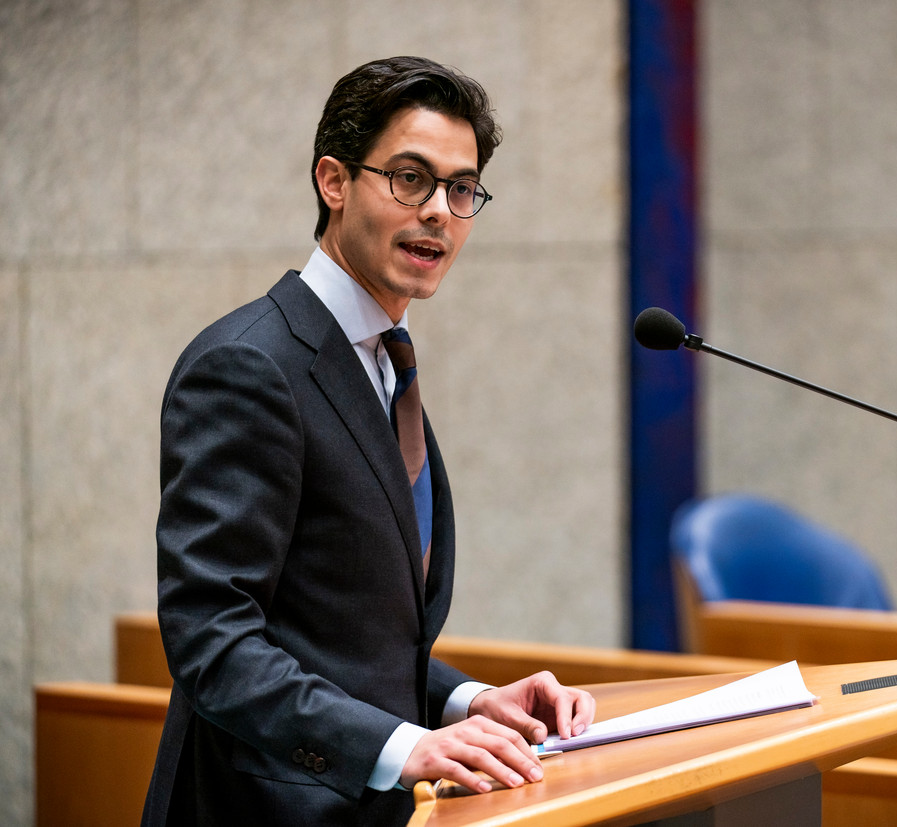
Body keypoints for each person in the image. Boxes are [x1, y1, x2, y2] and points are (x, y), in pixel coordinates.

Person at [142, 56, 595, 826]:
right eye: (410, 178)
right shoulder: (249, 365)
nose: (440, 213)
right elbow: (212, 642)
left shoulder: (384, 360)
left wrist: (467, 698)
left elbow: (341, 633)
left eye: (461, 189)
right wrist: (400, 745)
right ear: (333, 180)